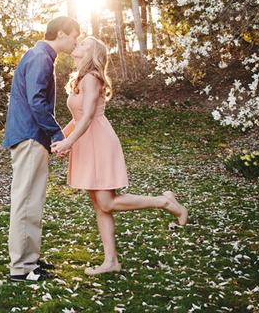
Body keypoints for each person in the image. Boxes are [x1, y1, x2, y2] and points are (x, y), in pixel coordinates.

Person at [51, 37, 188, 276]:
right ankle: (111, 261)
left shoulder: (92, 77)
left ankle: (164, 202)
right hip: (86, 140)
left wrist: (68, 143)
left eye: (83, 42)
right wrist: (59, 139)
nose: (77, 44)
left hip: (98, 141)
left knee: (106, 202)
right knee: (100, 206)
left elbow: (89, 116)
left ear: (91, 52)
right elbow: (77, 118)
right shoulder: (82, 78)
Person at [3, 16, 81, 283]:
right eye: (74, 36)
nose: (75, 42)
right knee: (26, 201)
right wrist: (57, 135)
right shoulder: (40, 58)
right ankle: (20, 268)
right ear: (61, 34)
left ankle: (29, 261)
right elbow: (37, 103)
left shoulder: (40, 56)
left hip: (31, 136)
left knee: (32, 201)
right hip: (29, 137)